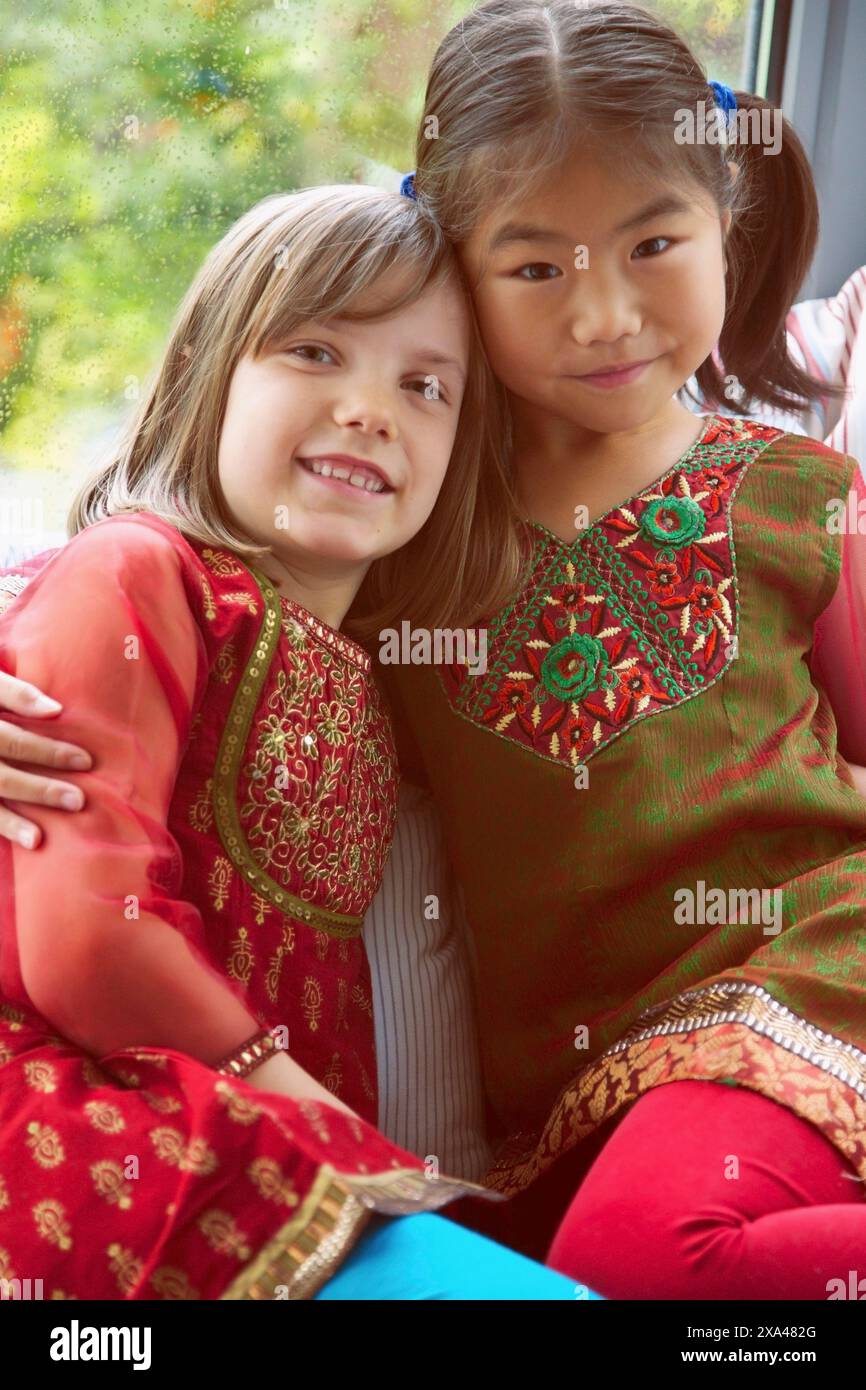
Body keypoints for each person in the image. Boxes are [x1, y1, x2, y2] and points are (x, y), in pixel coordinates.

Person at [6, 0, 866, 1300]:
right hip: (573, 1093)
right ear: (457, 274)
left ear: (725, 228)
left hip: (805, 965)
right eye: (534, 269)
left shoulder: (800, 493)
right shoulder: (398, 520)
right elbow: (139, 576)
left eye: (653, 242)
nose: (601, 315)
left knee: (646, 1256)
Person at [0, 182, 587, 1300]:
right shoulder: (134, 571)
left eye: (424, 387)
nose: (371, 410)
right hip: (108, 1133)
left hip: (260, 1145)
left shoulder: (388, 690)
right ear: (205, 373)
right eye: (317, 351)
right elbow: (89, 942)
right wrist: (324, 1124)